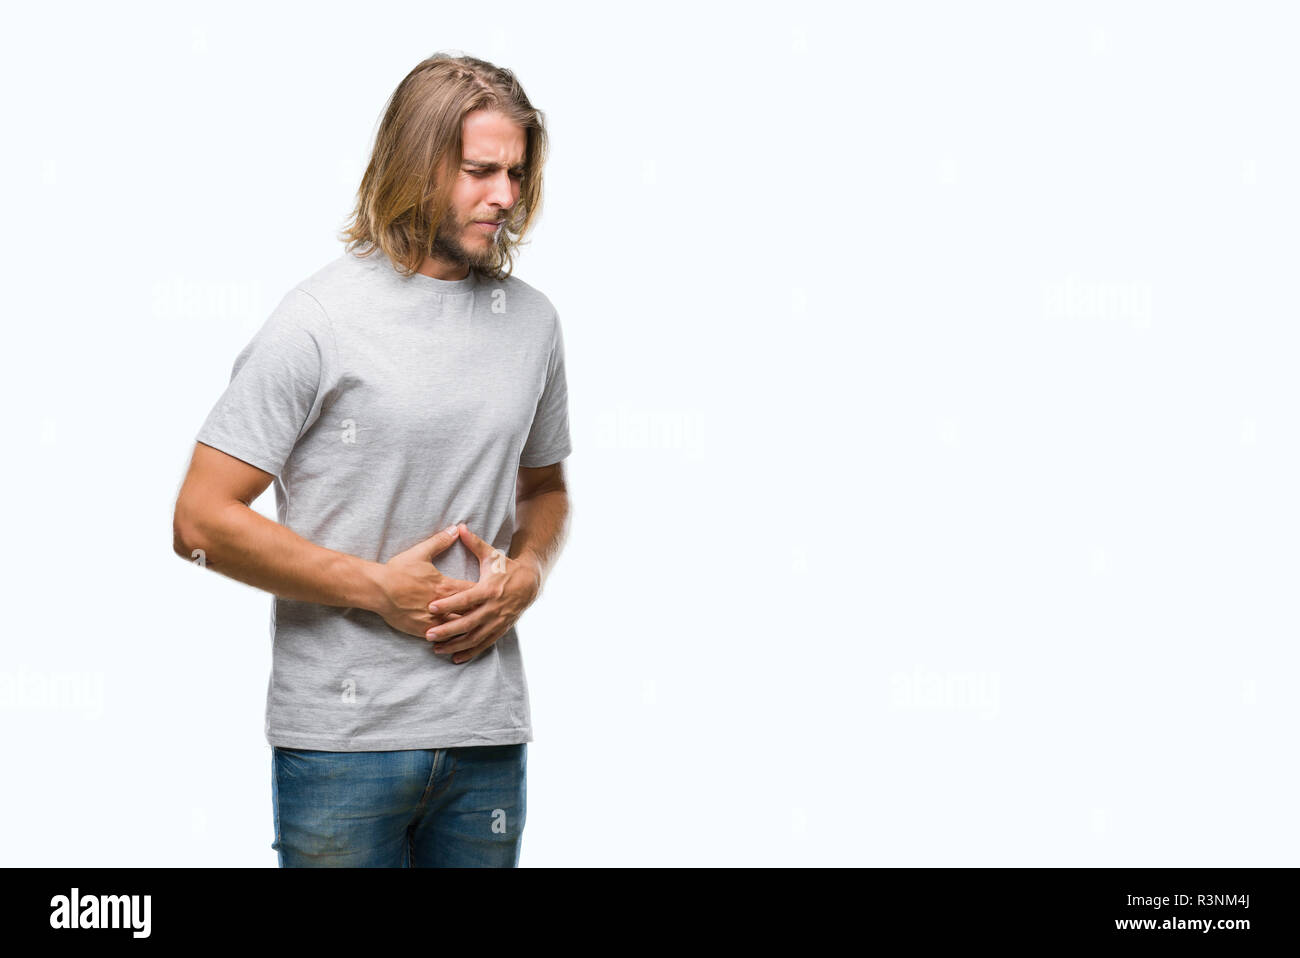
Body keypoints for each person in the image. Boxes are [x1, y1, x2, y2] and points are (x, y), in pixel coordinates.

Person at [171, 52, 572, 868]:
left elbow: (546, 488)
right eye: (480, 171)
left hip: (485, 735)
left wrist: (528, 573)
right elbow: (199, 519)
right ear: (418, 165)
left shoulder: (532, 323)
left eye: (516, 173)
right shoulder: (318, 318)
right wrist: (376, 589)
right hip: (343, 746)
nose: (506, 196)